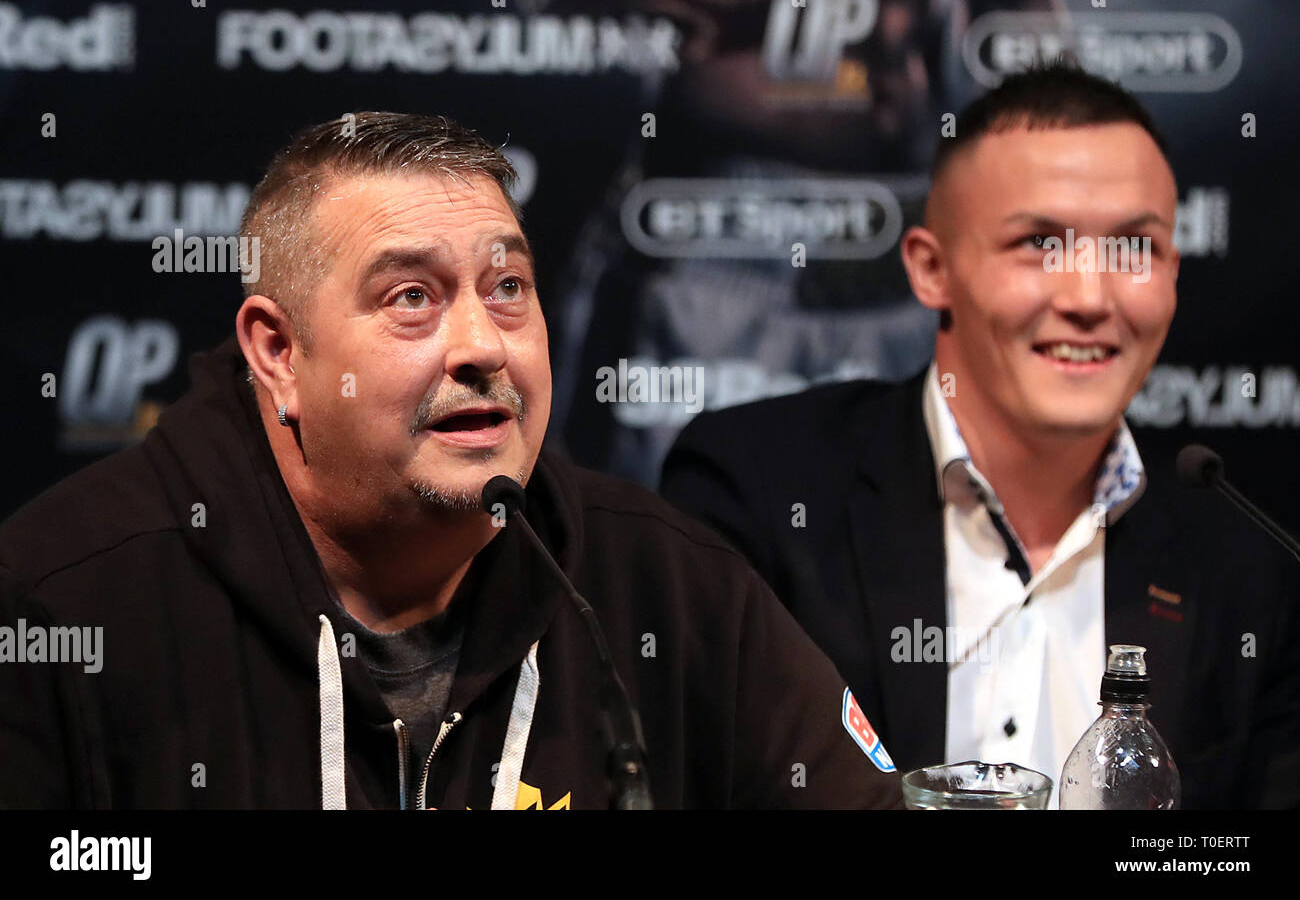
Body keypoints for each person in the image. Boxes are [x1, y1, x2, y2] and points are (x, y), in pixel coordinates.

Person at [0, 112, 901, 810]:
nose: (482, 345)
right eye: (411, 297)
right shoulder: (67, 596)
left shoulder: (668, 586)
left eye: (508, 288)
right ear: (278, 352)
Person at [661, 62, 1300, 809]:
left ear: (1171, 274)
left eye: (1133, 248)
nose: (1090, 298)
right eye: (1038, 243)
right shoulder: (760, 494)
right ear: (932, 269)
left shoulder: (1248, 564)